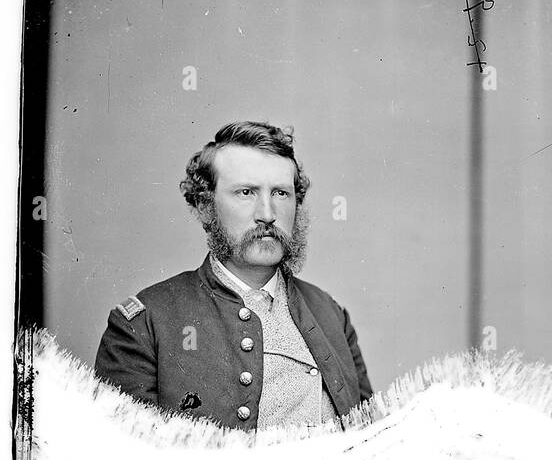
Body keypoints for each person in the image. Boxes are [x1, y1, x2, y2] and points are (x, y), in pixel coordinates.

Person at [95, 121, 372, 433]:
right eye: (246, 192)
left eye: (281, 193)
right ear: (204, 206)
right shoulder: (144, 324)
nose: (267, 214)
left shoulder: (331, 314)